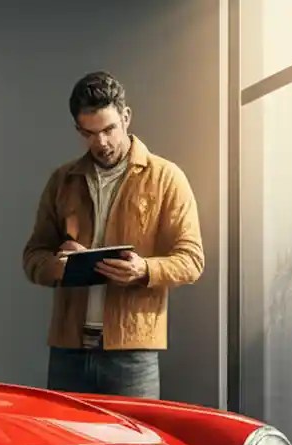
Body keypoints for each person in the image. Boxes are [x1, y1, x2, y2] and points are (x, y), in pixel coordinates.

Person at [21, 71, 204, 399]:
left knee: (132, 436)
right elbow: (33, 257)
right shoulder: (63, 180)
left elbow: (192, 260)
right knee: (64, 435)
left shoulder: (166, 177)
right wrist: (58, 267)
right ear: (78, 129)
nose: (101, 142)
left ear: (126, 117)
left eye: (109, 130)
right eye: (89, 133)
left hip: (132, 353)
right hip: (68, 350)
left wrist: (144, 269)